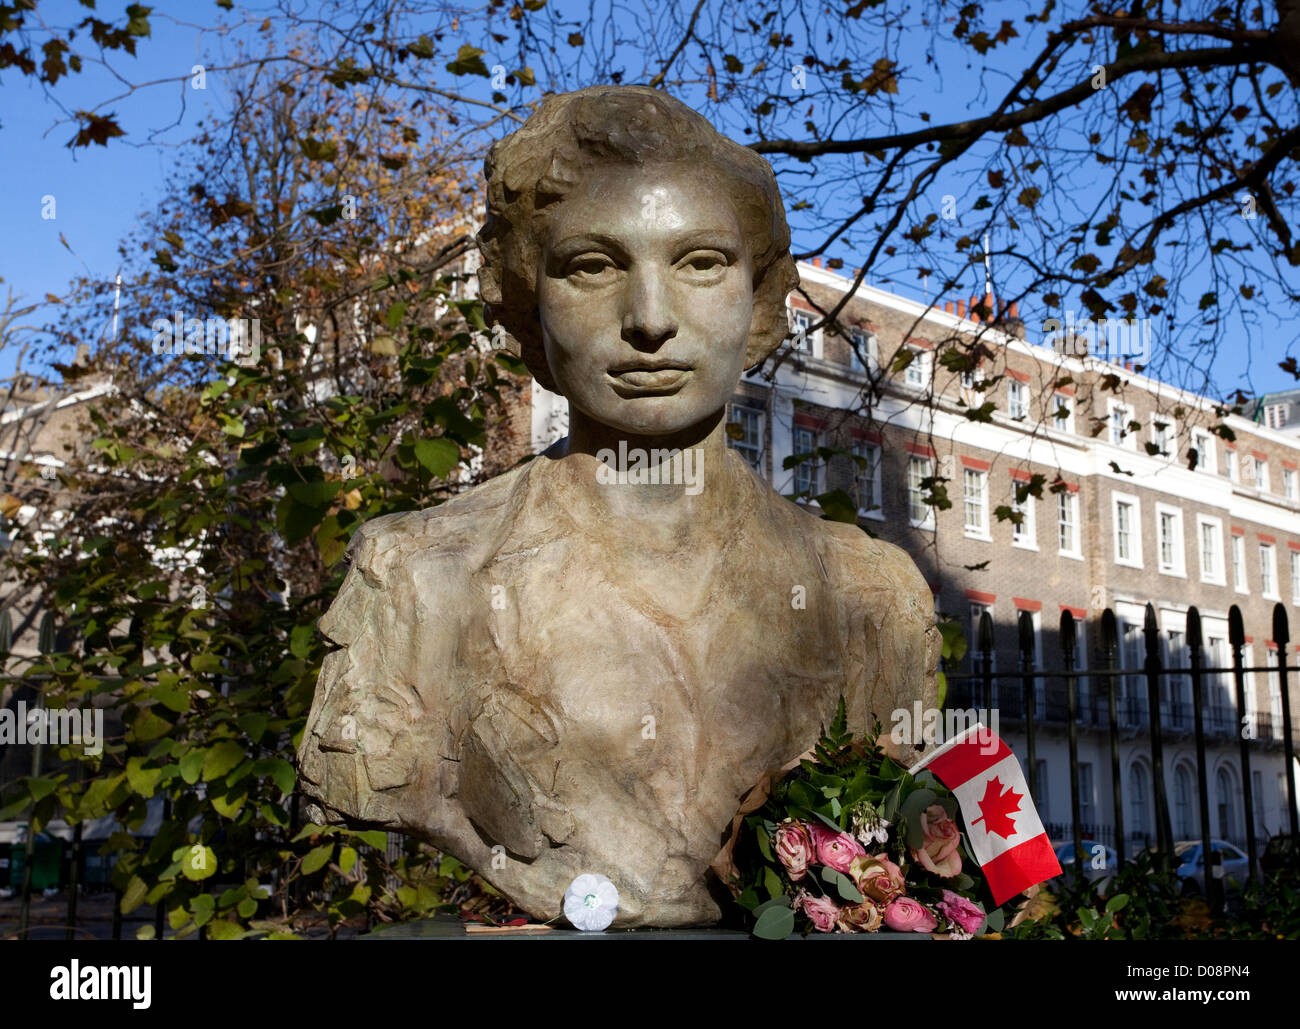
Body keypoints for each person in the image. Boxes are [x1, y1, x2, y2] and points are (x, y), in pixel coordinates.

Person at [298, 85, 939, 928]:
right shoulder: (419, 577)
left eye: (700, 261)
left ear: (758, 298)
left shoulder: (871, 596)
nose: (649, 319)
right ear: (530, 302)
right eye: (593, 266)